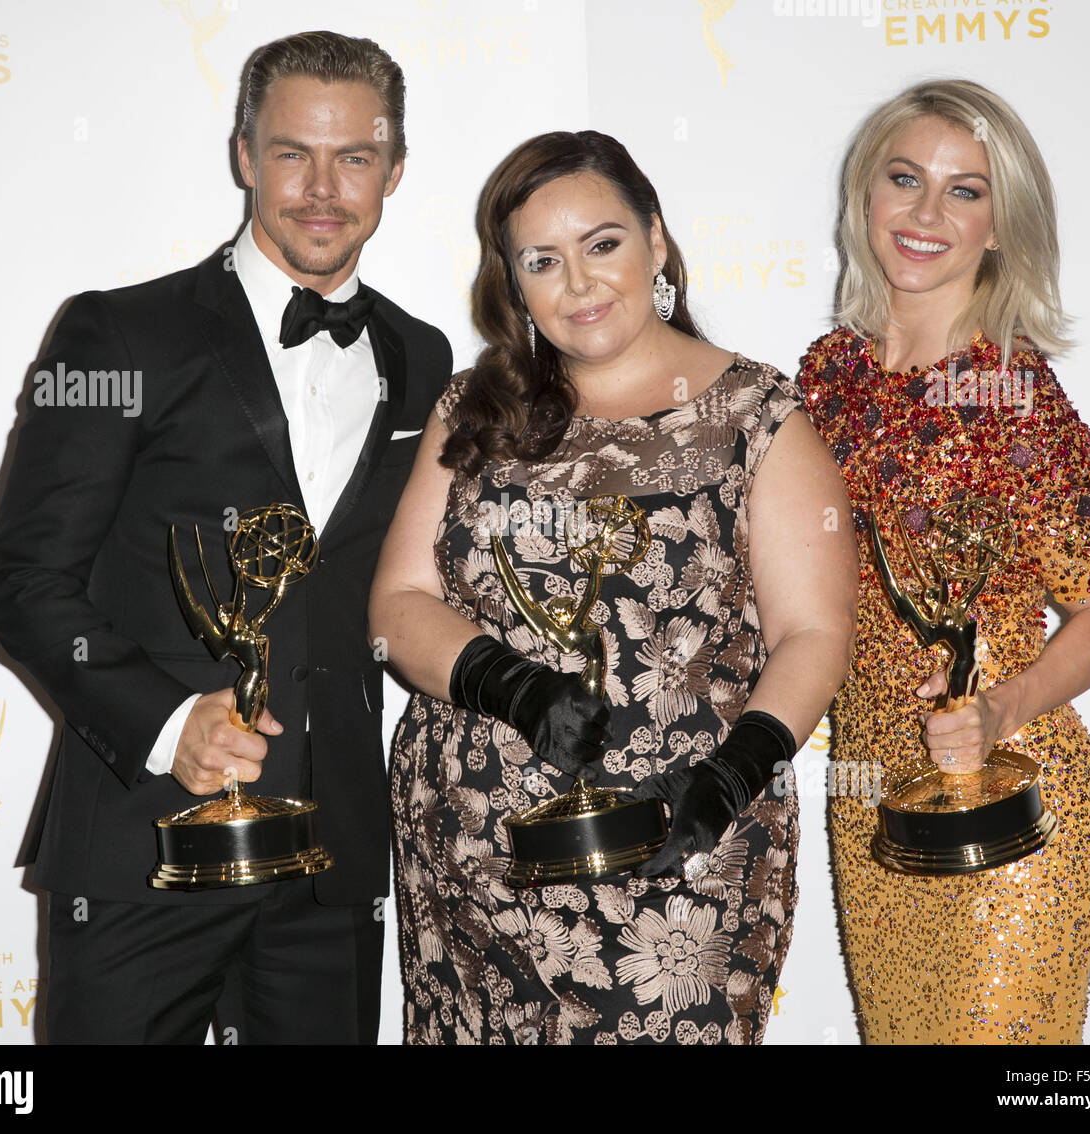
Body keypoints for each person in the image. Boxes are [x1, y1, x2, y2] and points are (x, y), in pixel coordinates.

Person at [0, 31, 451, 1044]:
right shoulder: (118, 335)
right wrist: (162, 723)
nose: (321, 189)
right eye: (291, 153)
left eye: (354, 156)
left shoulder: (420, 354)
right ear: (243, 154)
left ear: (394, 169)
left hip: (333, 868)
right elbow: (22, 579)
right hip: (140, 845)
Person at [369, 131, 856, 1044]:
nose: (580, 284)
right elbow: (396, 608)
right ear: (514, 282)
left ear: (656, 240)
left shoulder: (756, 415)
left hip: (678, 857)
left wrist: (733, 773)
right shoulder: (474, 406)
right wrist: (510, 686)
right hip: (472, 861)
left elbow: (815, 634)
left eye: (604, 244)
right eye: (542, 261)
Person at [797, 79, 1090, 1044]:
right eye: (904, 179)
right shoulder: (825, 380)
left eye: (964, 190)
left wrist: (997, 709)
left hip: (1013, 807)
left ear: (1000, 226)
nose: (924, 213)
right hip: (866, 802)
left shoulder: (1015, 397)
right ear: (865, 195)